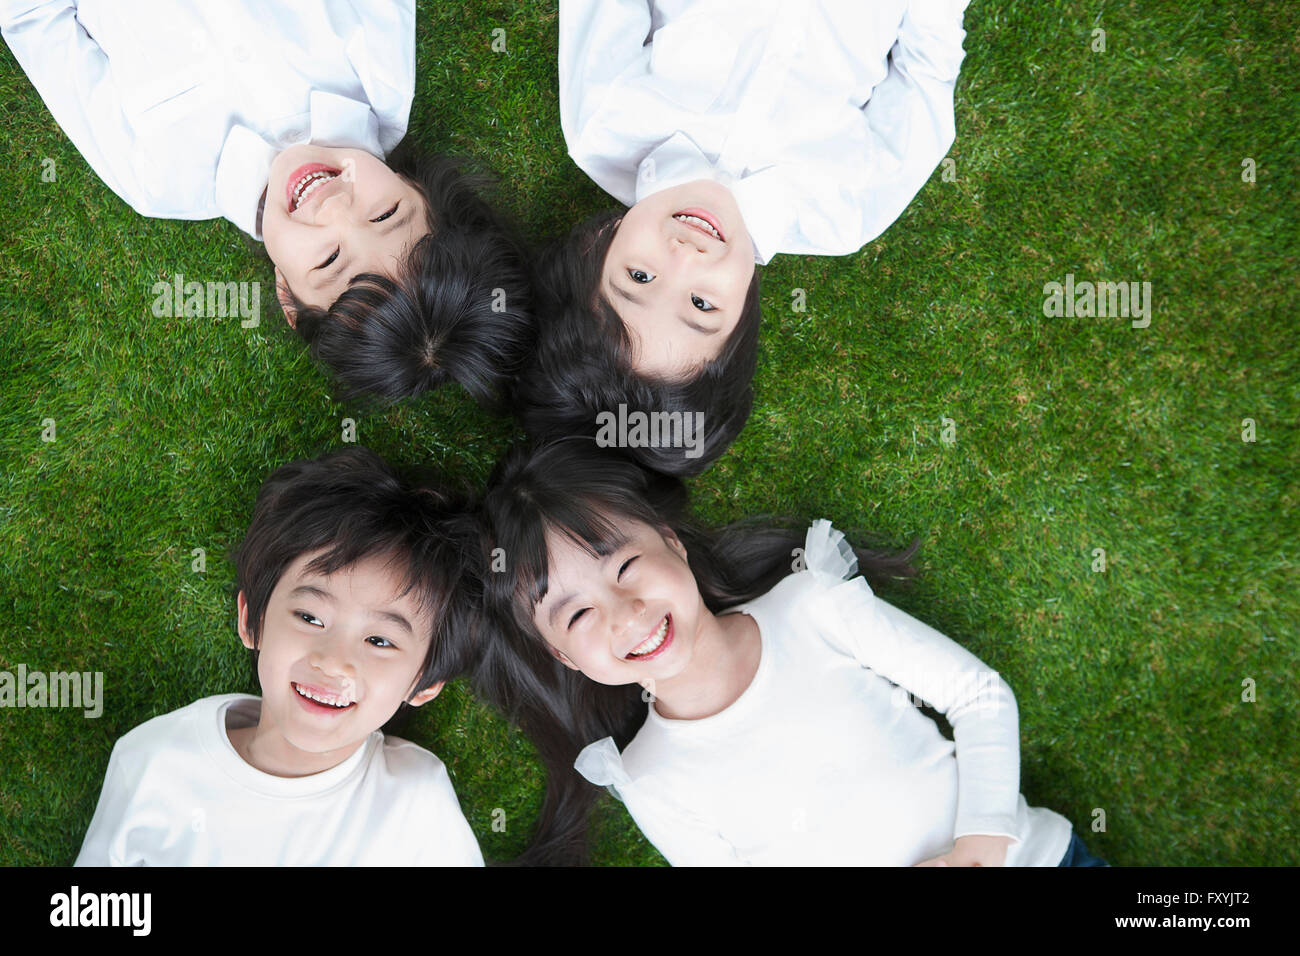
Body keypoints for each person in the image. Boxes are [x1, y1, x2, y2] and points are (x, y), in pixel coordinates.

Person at [474, 440, 1106, 866]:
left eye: (628, 565)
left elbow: (979, 696)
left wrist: (978, 853)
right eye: (578, 614)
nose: (629, 613)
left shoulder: (811, 607)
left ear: (672, 542)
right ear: (563, 655)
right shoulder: (651, 780)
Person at [1, 0, 533, 408]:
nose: (333, 208)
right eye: (385, 214)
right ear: (414, 185)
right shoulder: (380, 76)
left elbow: (35, 21)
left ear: (286, 295)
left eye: (329, 261)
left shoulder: (160, 178)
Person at [514, 0, 970, 475]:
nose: (685, 257)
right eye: (701, 306)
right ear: (743, 320)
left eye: (641, 275)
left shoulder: (604, 124)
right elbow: (925, 77)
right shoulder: (842, 211)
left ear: (599, 244)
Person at [75, 447, 484, 865]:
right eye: (310, 616)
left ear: (427, 683)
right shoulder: (154, 760)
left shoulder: (416, 802)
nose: (332, 661)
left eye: (380, 641)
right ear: (252, 619)